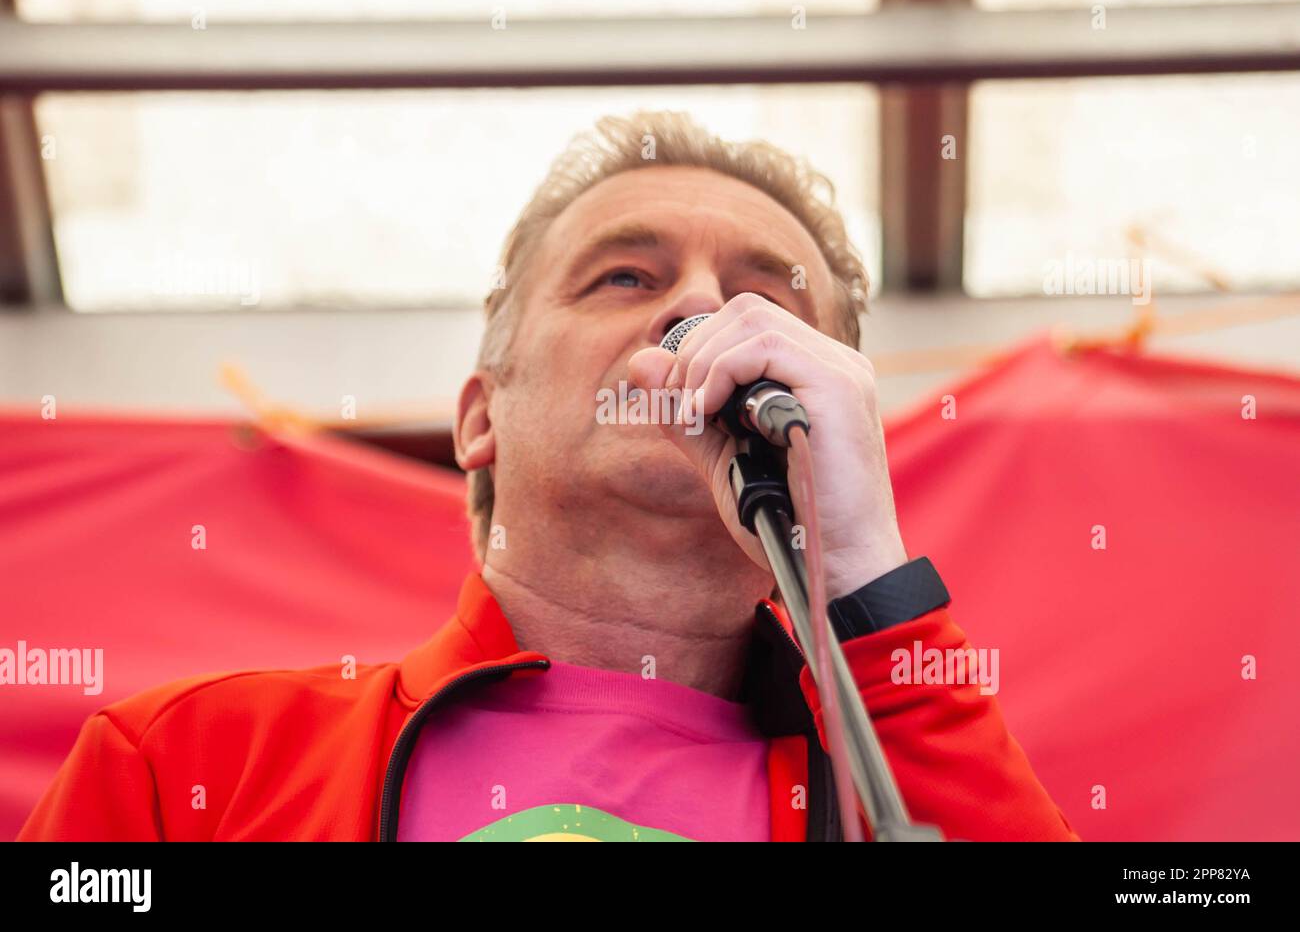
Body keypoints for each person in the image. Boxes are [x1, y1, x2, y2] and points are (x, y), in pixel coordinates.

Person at [19, 111, 1077, 842]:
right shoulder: (185, 767)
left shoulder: (883, 786)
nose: (698, 316)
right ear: (481, 418)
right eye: (626, 276)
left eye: (767, 301)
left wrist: (865, 580)